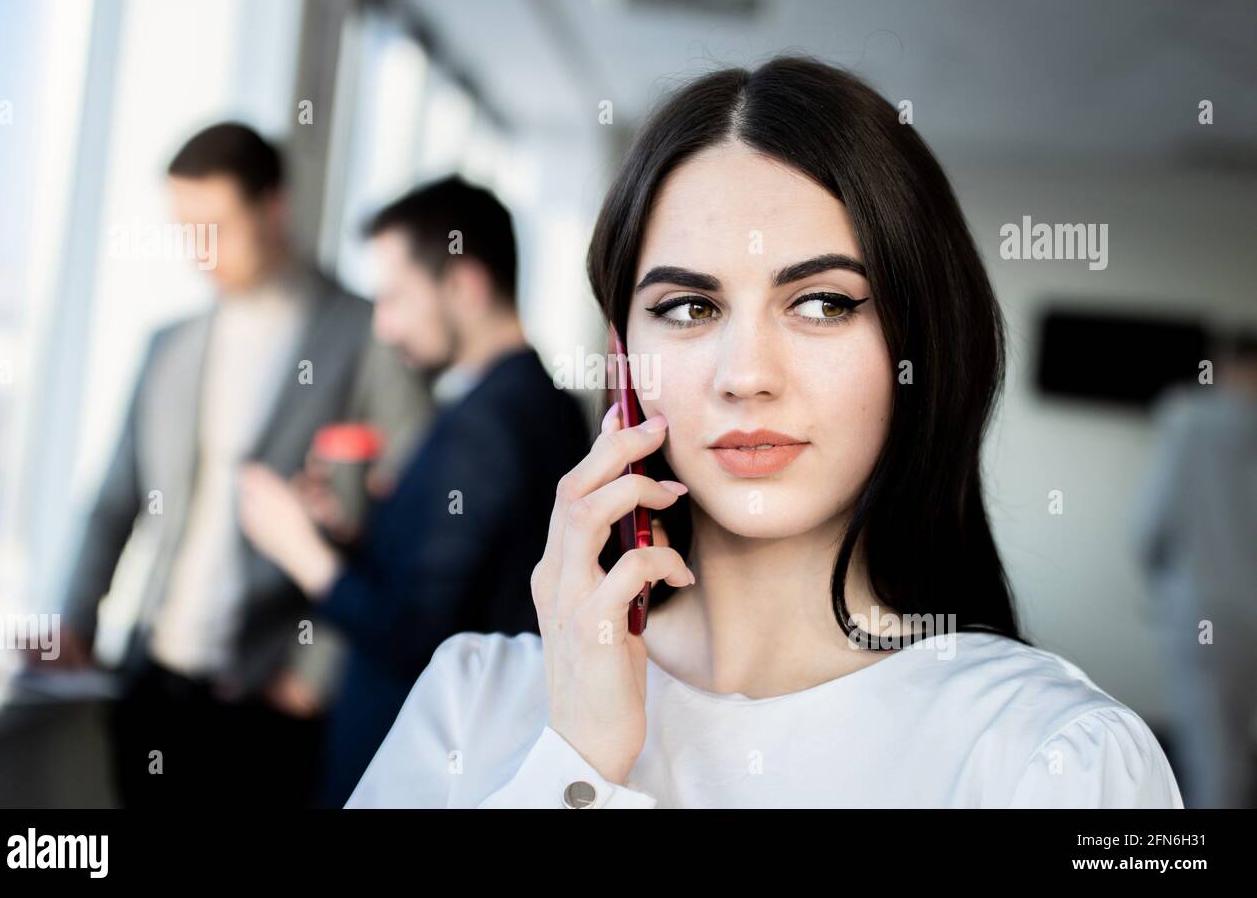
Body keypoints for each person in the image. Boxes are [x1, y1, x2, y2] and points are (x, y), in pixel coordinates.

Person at [343, 56, 1183, 808]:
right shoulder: (471, 696)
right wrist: (577, 771)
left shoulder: (1054, 759)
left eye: (822, 303)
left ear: (921, 341)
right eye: (689, 308)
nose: (746, 374)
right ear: (624, 356)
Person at [48, 122, 433, 806]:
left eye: (216, 225)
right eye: (183, 227)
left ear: (273, 207)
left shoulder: (367, 335)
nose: (199, 251)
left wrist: (316, 677)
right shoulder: (168, 347)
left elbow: (407, 529)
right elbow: (114, 501)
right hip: (155, 686)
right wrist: (73, 618)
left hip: (272, 703)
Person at [237, 176, 591, 807]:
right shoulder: (542, 403)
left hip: (418, 764)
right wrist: (347, 540)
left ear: (465, 286)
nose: (384, 325)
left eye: (396, 298)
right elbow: (463, 586)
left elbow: (416, 633)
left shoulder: (486, 423)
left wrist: (300, 551)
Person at [1132, 329, 1257, 808]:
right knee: (1234, 746)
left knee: (1208, 750)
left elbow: (1149, 524)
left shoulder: (1187, 419)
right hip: (1249, 619)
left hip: (1200, 611)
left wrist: (1158, 581)